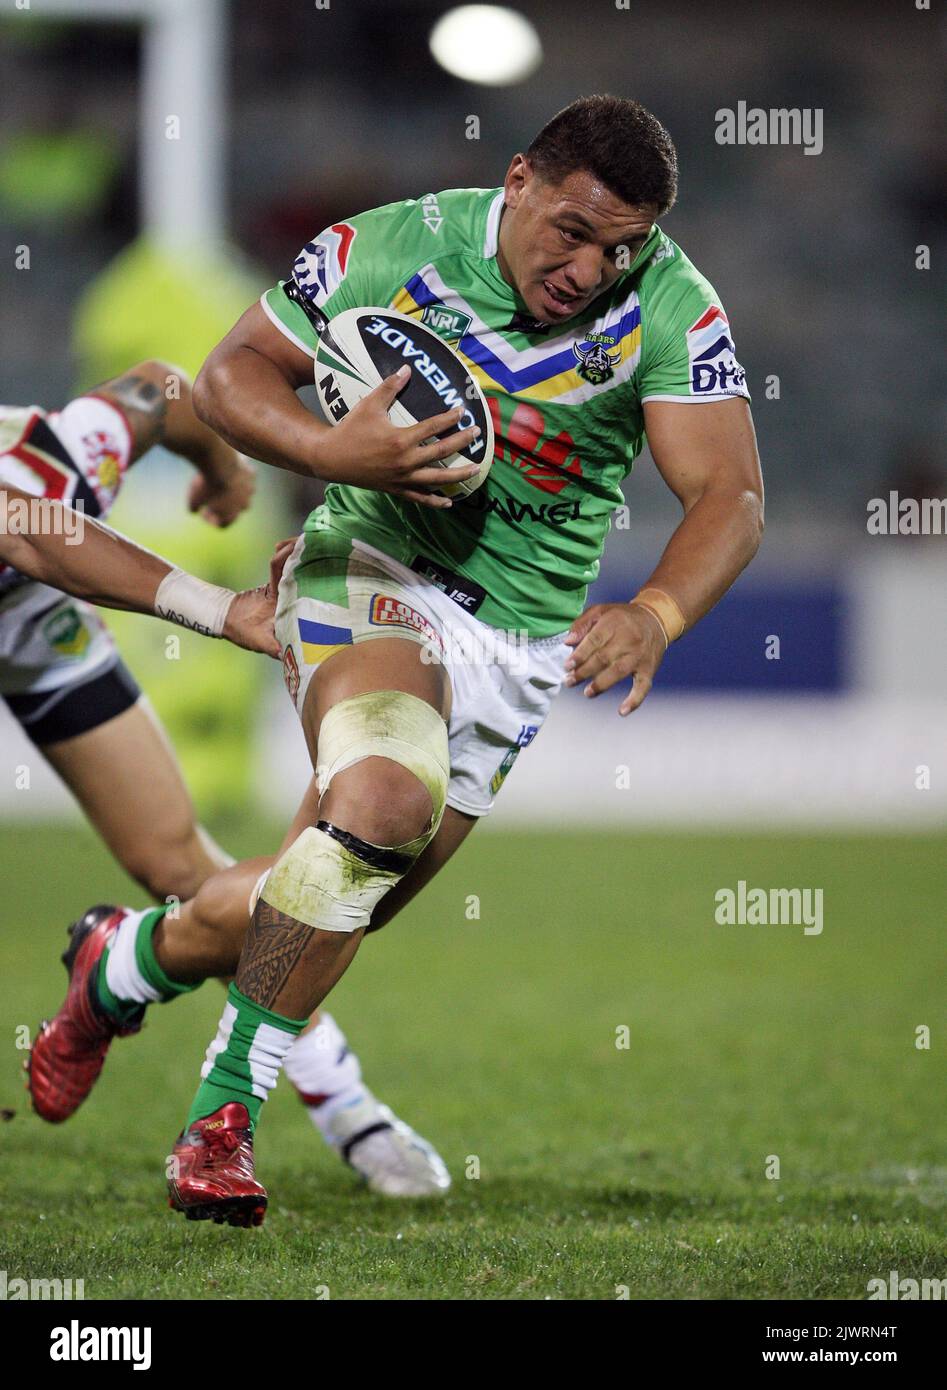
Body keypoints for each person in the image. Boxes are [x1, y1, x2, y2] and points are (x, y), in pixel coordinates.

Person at [33, 95, 764, 1228]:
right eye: (569, 230)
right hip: (369, 571)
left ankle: (125, 964)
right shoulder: (396, 245)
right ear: (516, 181)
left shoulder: (670, 304)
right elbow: (229, 376)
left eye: (617, 248)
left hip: (519, 644)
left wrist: (659, 610)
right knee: (379, 800)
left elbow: (729, 493)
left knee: (323, 900)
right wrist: (332, 452)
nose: (587, 268)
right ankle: (221, 1123)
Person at [7, 365, 449, 1196]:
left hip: (32, 622)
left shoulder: (54, 458)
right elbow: (22, 529)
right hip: (31, 585)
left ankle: (342, 1102)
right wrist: (217, 608)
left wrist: (221, 467)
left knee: (191, 869)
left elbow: (161, 392)